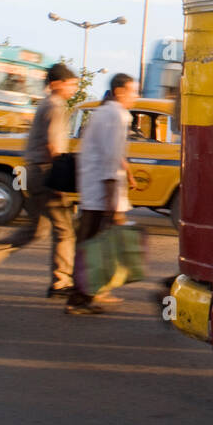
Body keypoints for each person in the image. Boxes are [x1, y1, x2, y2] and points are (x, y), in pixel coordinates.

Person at [0, 62, 79, 296]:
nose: (74, 89)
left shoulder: (47, 104)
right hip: (45, 173)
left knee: (37, 230)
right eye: (70, 84)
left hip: (34, 172)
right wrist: (59, 181)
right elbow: (53, 146)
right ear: (55, 84)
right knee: (65, 230)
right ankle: (61, 282)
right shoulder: (55, 106)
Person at [65, 73, 138, 315]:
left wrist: (128, 174)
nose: (135, 97)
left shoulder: (105, 113)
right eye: (132, 91)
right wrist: (111, 199)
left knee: (93, 244)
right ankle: (79, 298)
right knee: (92, 245)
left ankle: (90, 292)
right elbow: (110, 157)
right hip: (101, 190)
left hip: (96, 188)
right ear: (119, 91)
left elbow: (115, 153)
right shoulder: (116, 115)